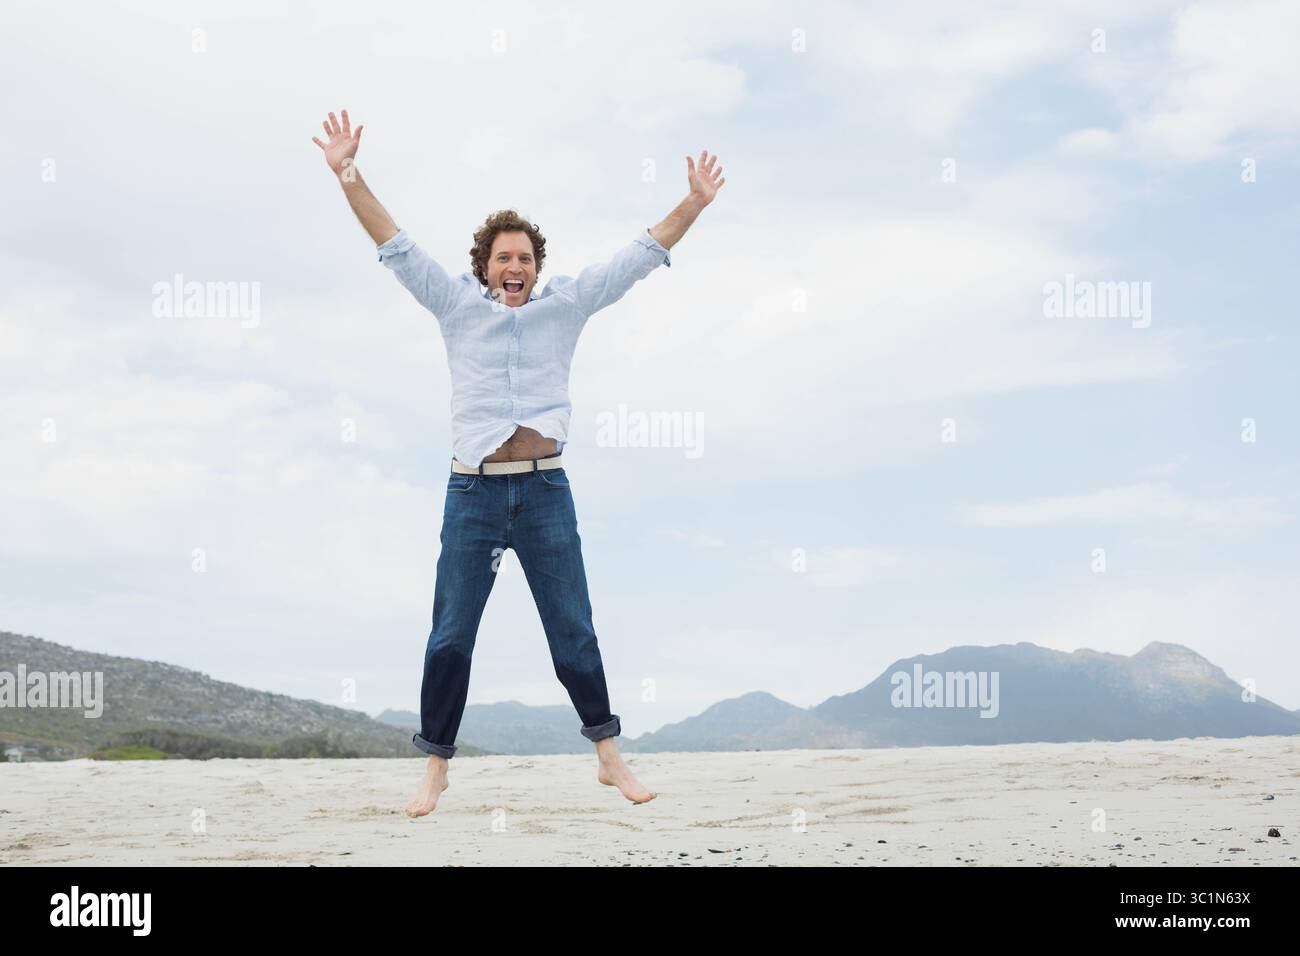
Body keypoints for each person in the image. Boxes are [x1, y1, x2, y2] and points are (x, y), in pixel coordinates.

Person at [312, 109, 725, 817]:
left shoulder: (565, 305)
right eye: (503, 258)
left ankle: (608, 755)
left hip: (544, 493)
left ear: (538, 267)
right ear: (485, 266)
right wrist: (348, 172)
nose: (515, 268)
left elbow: (640, 254)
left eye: (525, 258)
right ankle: (436, 766)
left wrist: (691, 202)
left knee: (573, 626)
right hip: (471, 492)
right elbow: (393, 240)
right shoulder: (453, 304)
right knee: (451, 633)